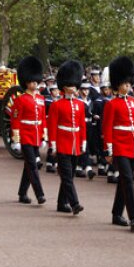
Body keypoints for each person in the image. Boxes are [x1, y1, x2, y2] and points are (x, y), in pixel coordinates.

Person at [103, 56, 134, 231]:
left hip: (132, 145)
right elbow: (107, 129)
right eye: (124, 83)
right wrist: (109, 151)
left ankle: (116, 213)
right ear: (117, 84)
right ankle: (133, 216)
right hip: (119, 146)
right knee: (127, 179)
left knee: (124, 181)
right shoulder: (112, 104)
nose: (128, 86)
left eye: (129, 83)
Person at [48, 60, 87, 213]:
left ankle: (61, 203)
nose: (74, 88)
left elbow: (82, 125)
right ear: (64, 86)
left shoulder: (79, 105)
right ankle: (74, 203)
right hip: (62, 143)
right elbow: (52, 126)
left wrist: (83, 141)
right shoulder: (56, 105)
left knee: (69, 175)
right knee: (66, 176)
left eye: (75, 85)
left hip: (75, 143)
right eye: (71, 85)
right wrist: (53, 145)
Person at [13, 56, 47, 205]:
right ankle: (39, 194)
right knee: (33, 165)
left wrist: (44, 136)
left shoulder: (40, 99)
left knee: (29, 165)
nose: (35, 83)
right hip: (25, 135)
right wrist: (16, 140)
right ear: (26, 82)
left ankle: (22, 193)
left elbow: (43, 119)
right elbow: (15, 120)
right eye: (32, 81)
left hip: (36, 135)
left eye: (36, 81)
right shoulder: (20, 99)